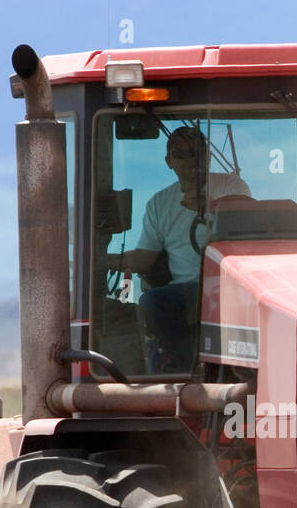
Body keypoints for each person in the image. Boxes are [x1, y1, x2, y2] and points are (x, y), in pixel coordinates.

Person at [106, 125, 250, 372]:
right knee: (150, 303)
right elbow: (145, 259)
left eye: (196, 152)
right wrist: (100, 260)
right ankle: (190, 367)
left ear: (208, 156)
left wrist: (210, 207)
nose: (190, 161)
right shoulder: (160, 204)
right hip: (187, 290)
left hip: (230, 284)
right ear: (169, 161)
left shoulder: (232, 187)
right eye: (180, 155)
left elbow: (246, 230)